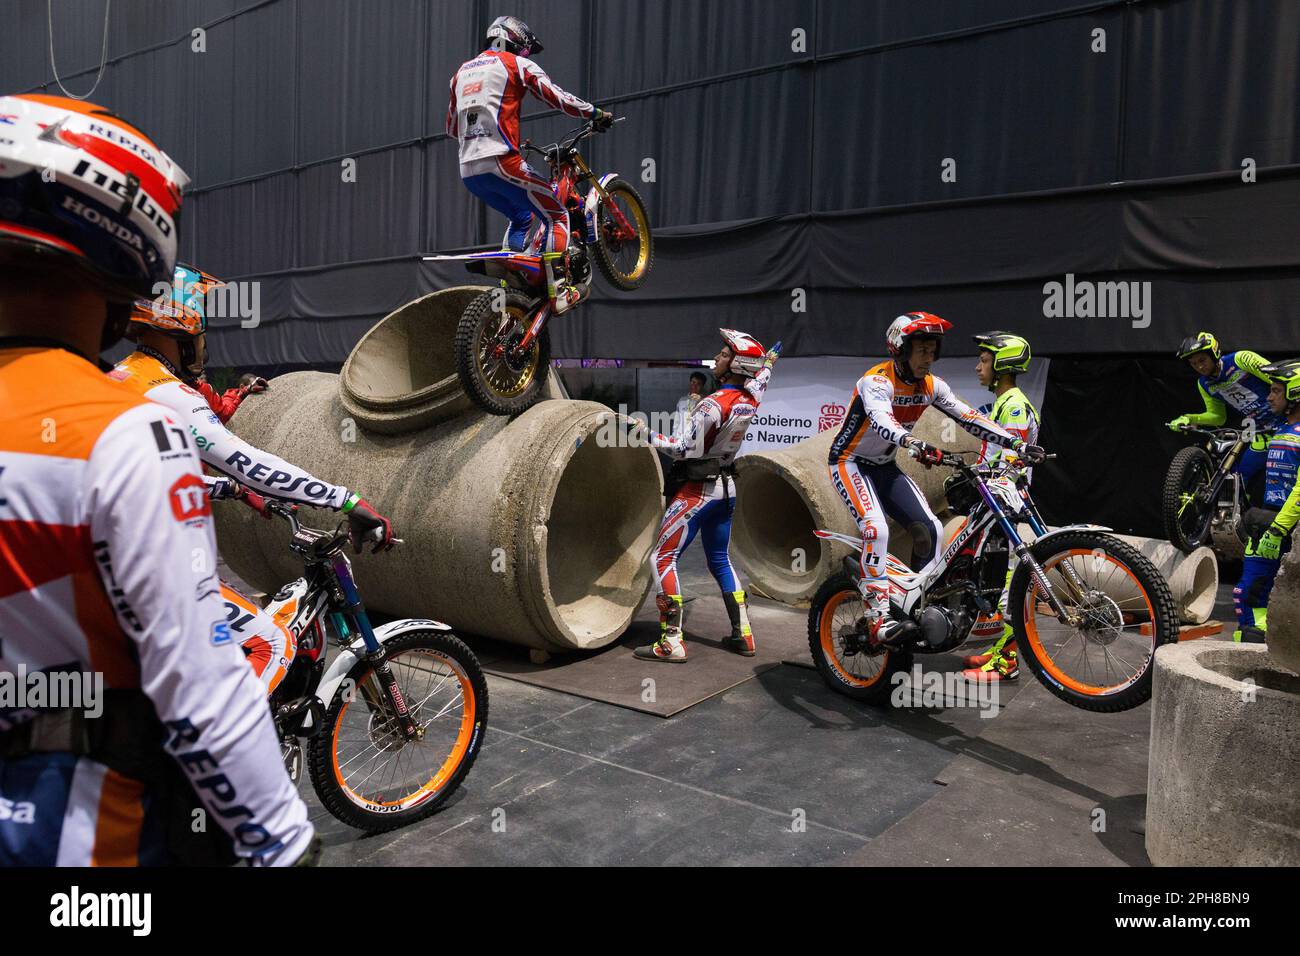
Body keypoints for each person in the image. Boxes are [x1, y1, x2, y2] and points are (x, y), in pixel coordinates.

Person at [0, 93, 315, 866]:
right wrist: (282, 845)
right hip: (81, 837)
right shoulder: (126, 427)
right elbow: (199, 685)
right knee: (253, 645)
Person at [110, 263, 397, 693]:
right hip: (148, 570)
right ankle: (227, 753)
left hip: (109, 567)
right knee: (271, 643)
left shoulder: (120, 380)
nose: (203, 351)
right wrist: (346, 500)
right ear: (181, 338)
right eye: (200, 339)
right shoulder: (169, 393)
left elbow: (148, 481)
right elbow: (250, 463)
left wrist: (231, 490)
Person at [827, 312, 1045, 647]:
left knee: (931, 528)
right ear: (900, 350)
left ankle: (919, 604)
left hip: (884, 466)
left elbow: (968, 416)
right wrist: (914, 443)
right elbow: (883, 422)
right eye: (922, 351)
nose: (929, 359)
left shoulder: (932, 386)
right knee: (876, 528)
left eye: (933, 351)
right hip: (850, 462)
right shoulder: (876, 382)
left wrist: (1016, 443)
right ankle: (877, 617)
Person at [446, 16, 614, 314]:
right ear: (515, 40)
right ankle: (560, 288)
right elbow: (559, 98)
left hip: (468, 169)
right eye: (525, 49)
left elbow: (451, 127)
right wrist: (595, 113)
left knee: (523, 216)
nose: (525, 55)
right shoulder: (515, 64)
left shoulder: (460, 73)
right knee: (558, 215)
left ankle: (513, 283)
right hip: (502, 161)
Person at [634, 330, 780, 663]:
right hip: (727, 490)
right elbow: (764, 374)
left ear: (737, 363)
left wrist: (644, 433)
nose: (716, 357)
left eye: (724, 354)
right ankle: (743, 635)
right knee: (719, 559)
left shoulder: (713, 405)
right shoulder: (751, 396)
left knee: (662, 558)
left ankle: (671, 641)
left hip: (698, 491)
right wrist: (770, 359)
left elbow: (683, 450)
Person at [959, 331, 1041, 683]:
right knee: (993, 580)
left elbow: (1011, 460)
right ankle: (1001, 651)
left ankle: (1007, 661)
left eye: (984, 360)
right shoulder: (1004, 403)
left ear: (1003, 364)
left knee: (1007, 581)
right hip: (993, 506)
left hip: (1003, 507)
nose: (978, 367)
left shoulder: (1016, 405)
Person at [1231, 359, 1300, 643]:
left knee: (1252, 593)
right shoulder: (1281, 430)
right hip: (1271, 523)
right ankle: (1254, 653)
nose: (1269, 396)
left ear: (1295, 394)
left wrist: (1278, 528)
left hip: (1286, 528)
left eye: (1275, 391)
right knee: (1248, 595)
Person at [1168, 332, 1280, 506]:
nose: (1199, 367)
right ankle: (1241, 524)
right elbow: (1218, 417)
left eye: (1202, 360)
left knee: (1283, 475)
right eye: (1193, 363)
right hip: (1261, 432)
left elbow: (1278, 378)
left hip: (1287, 424)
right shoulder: (1204, 384)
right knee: (1241, 477)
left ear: (1214, 353)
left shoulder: (1241, 359)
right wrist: (1189, 418)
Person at [673, 371, 709, 438]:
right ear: (690, 383)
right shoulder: (682, 400)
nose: (694, 386)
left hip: (695, 439)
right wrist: (673, 436)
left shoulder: (706, 401)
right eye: (693, 382)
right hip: (679, 437)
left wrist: (701, 400)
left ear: (702, 386)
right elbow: (677, 421)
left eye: (698, 384)